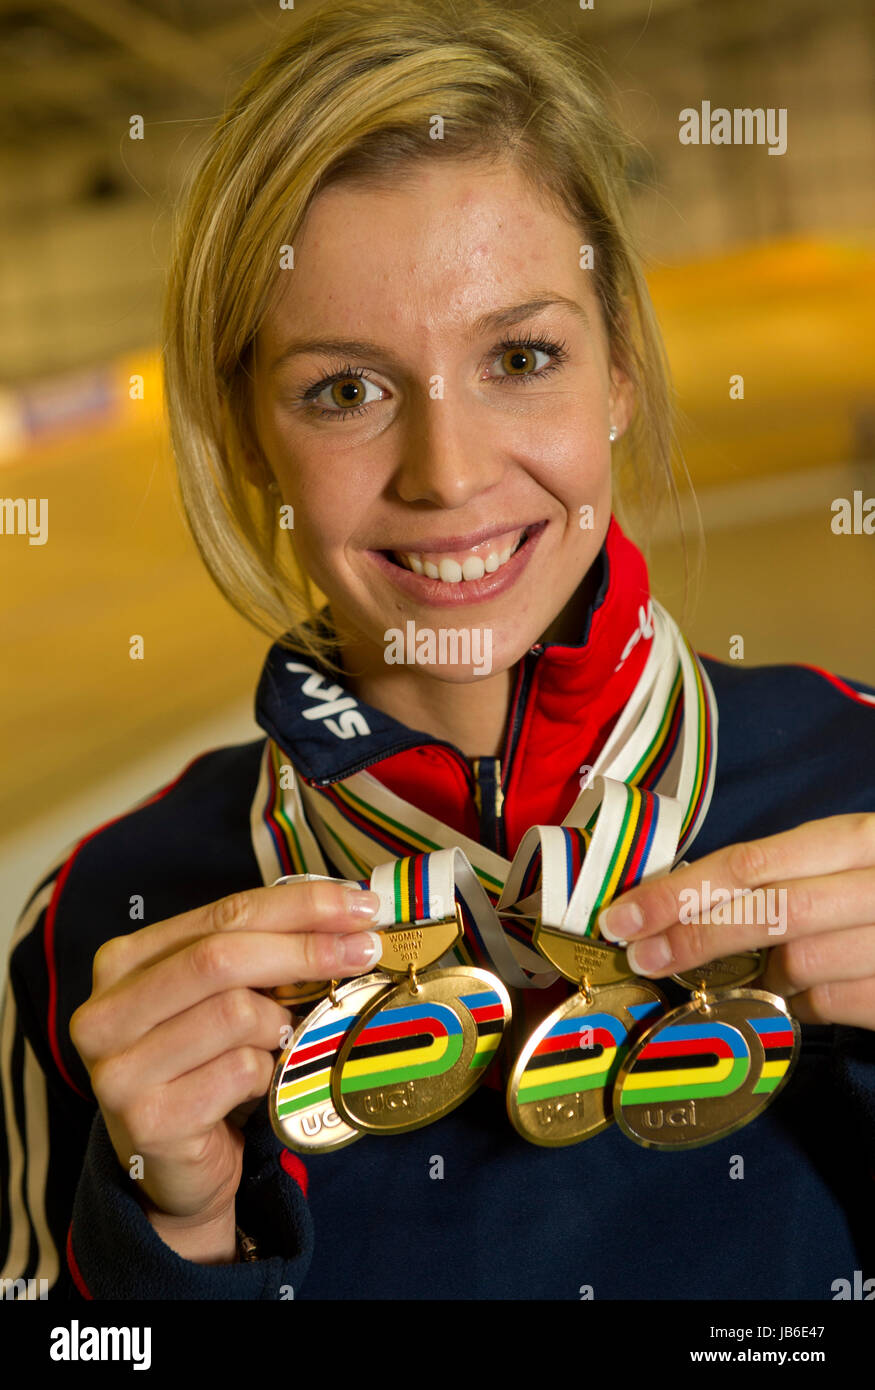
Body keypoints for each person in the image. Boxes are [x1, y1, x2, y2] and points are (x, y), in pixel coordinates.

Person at [3, 0, 874, 1302]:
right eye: (345, 389)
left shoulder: (862, 771)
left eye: (521, 356)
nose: (449, 474)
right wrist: (168, 1246)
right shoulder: (98, 918)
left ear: (620, 373)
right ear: (248, 437)